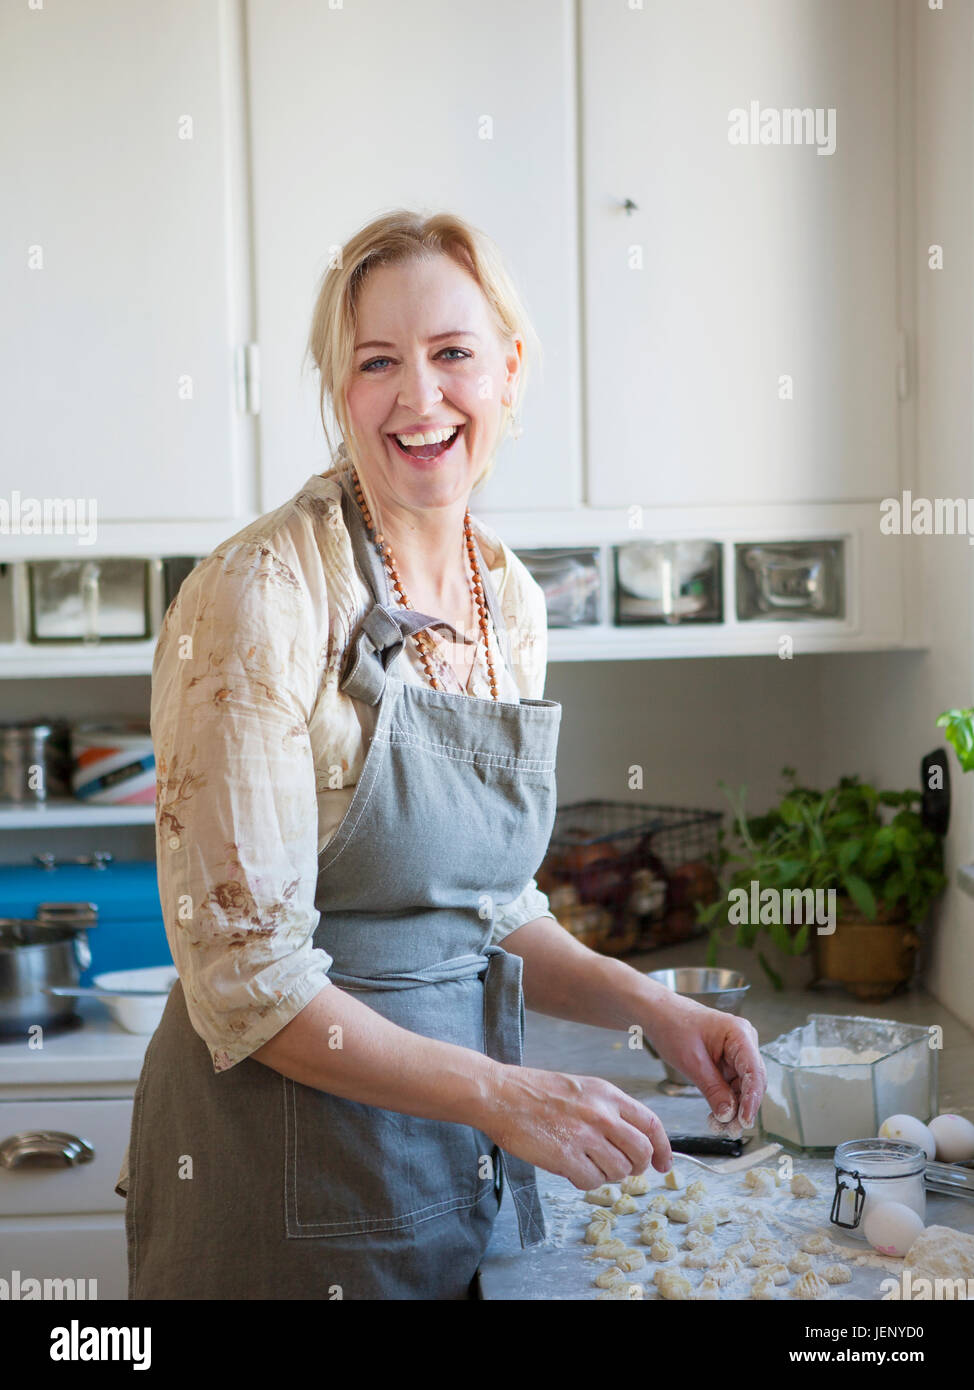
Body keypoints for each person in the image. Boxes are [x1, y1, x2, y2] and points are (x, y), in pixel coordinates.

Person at [120, 209, 766, 1300]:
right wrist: (503, 1095)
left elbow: (485, 899)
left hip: (443, 1178)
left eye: (452, 354)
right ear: (339, 388)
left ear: (509, 374)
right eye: (377, 362)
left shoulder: (505, 597)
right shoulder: (258, 595)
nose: (418, 398)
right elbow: (244, 978)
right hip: (276, 1198)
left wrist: (649, 1004)